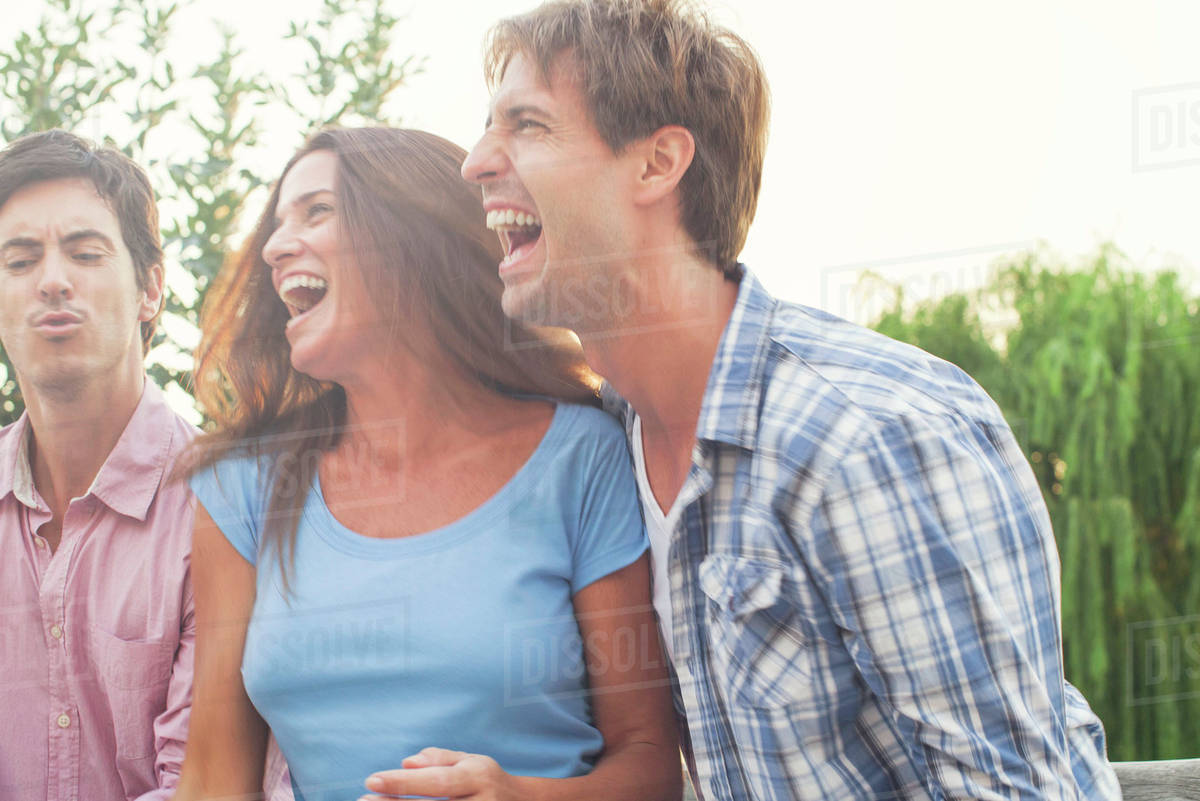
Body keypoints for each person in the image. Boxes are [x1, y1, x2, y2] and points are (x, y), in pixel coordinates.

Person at [453, 2, 1124, 799]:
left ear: (657, 162)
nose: (475, 162)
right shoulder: (605, 444)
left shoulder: (870, 436)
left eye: (527, 125)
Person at [174, 127, 681, 801]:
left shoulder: (581, 455)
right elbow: (213, 780)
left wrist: (518, 795)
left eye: (317, 211)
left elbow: (650, 765)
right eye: (277, 223)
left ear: (411, 234)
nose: (273, 245)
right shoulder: (241, 490)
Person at [0, 129, 193, 800]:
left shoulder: (225, 506)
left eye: (85, 253)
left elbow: (205, 783)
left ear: (150, 291)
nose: (52, 280)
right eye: (20, 260)